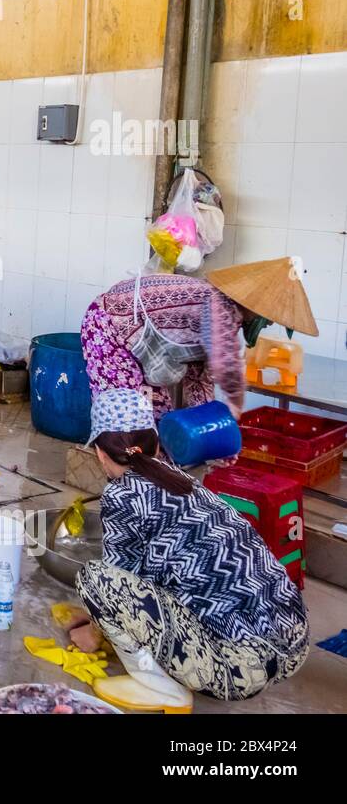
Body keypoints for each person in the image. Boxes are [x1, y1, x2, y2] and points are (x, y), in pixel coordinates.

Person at [76, 388, 308, 711]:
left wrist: (92, 631)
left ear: (100, 453)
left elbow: (118, 579)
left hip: (238, 668)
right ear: (156, 445)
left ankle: (159, 687)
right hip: (293, 642)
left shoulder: (121, 495)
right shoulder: (183, 480)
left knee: (93, 579)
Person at [81, 257, 318, 419]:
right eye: (269, 314)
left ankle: (153, 479)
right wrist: (234, 405)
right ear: (254, 302)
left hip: (133, 333)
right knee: (129, 414)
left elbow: (199, 376)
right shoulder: (218, 306)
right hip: (107, 324)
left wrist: (210, 420)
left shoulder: (226, 315)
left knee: (158, 413)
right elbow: (225, 364)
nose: (271, 321)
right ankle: (126, 484)